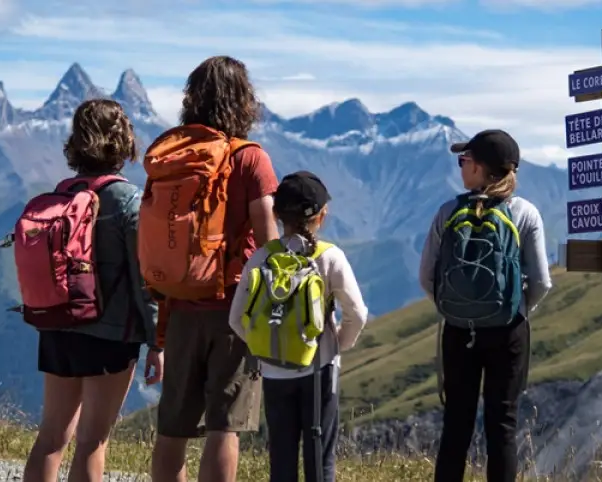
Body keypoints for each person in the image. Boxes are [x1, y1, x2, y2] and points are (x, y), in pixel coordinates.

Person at [145, 55, 280, 482]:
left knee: (172, 430)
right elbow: (270, 242)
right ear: (244, 101)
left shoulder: (172, 156)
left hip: (181, 304)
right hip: (234, 313)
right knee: (226, 426)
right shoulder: (250, 159)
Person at [21, 98, 160, 482]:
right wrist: (157, 341)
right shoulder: (128, 200)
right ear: (122, 142)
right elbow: (144, 280)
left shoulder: (62, 193)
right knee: (92, 442)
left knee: (51, 437)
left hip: (57, 325)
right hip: (110, 336)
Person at [418, 129, 553, 482]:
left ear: (479, 169)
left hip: (459, 331)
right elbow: (541, 281)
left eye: (464, 160)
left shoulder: (448, 211)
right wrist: (515, 312)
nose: (460, 166)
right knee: (502, 426)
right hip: (508, 333)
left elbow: (426, 277)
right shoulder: (525, 213)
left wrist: (455, 309)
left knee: (456, 426)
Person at [227, 171, 370, 482]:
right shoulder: (330, 257)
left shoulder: (263, 257)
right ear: (322, 215)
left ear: (276, 215)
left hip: (275, 371)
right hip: (319, 369)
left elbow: (236, 318)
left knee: (281, 455)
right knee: (320, 457)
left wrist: (263, 346)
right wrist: (336, 346)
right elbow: (356, 314)